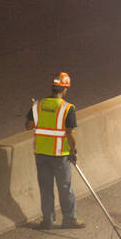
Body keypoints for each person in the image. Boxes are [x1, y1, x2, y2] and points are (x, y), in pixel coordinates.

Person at [25, 72, 84, 229]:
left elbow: (29, 126)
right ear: (64, 89)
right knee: (65, 187)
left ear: (52, 88)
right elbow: (69, 132)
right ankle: (70, 219)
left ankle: (47, 220)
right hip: (59, 155)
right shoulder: (67, 108)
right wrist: (74, 150)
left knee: (45, 188)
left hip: (41, 153)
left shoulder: (38, 105)